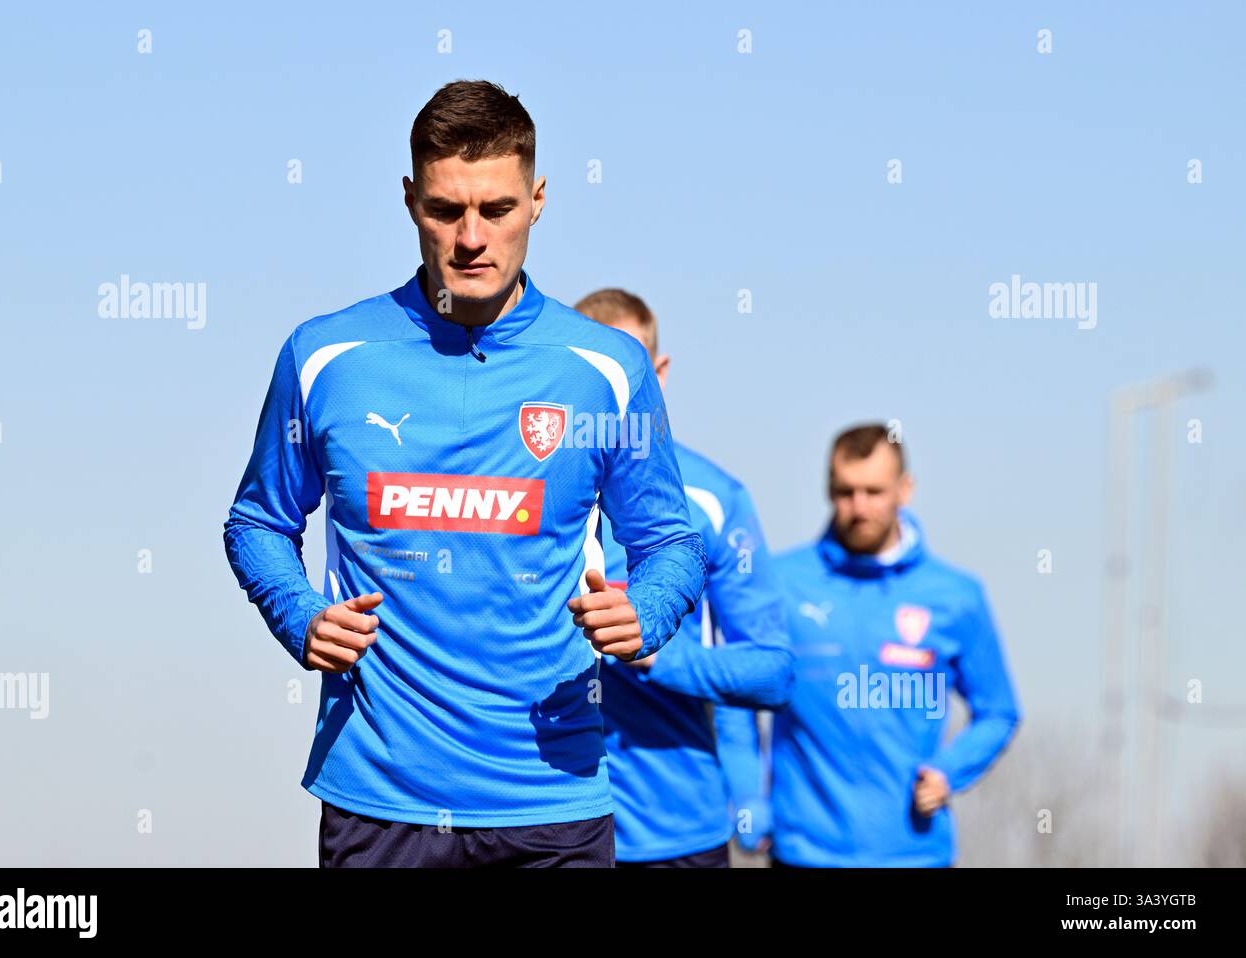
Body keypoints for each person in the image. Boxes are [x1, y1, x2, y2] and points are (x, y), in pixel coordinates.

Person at [222, 80, 706, 868]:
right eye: (446, 210)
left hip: (553, 801)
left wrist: (647, 609)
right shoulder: (326, 358)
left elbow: (671, 542)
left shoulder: (606, 369)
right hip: (380, 801)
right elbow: (257, 522)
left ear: (539, 200)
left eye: (498, 209)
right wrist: (299, 612)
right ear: (410, 200)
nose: (471, 237)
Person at [728, 424, 1020, 867]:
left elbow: (998, 712)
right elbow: (736, 700)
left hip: (913, 854)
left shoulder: (956, 596)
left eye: (873, 491)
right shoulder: (783, 584)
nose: (858, 507)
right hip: (804, 852)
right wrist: (749, 800)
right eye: (845, 492)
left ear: (906, 490)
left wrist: (948, 772)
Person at [575, 289, 793, 867]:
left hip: (676, 838)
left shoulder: (715, 500)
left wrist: (655, 656)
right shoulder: (529, 487)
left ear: (659, 372)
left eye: (632, 368)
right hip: (542, 822)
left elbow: (772, 672)